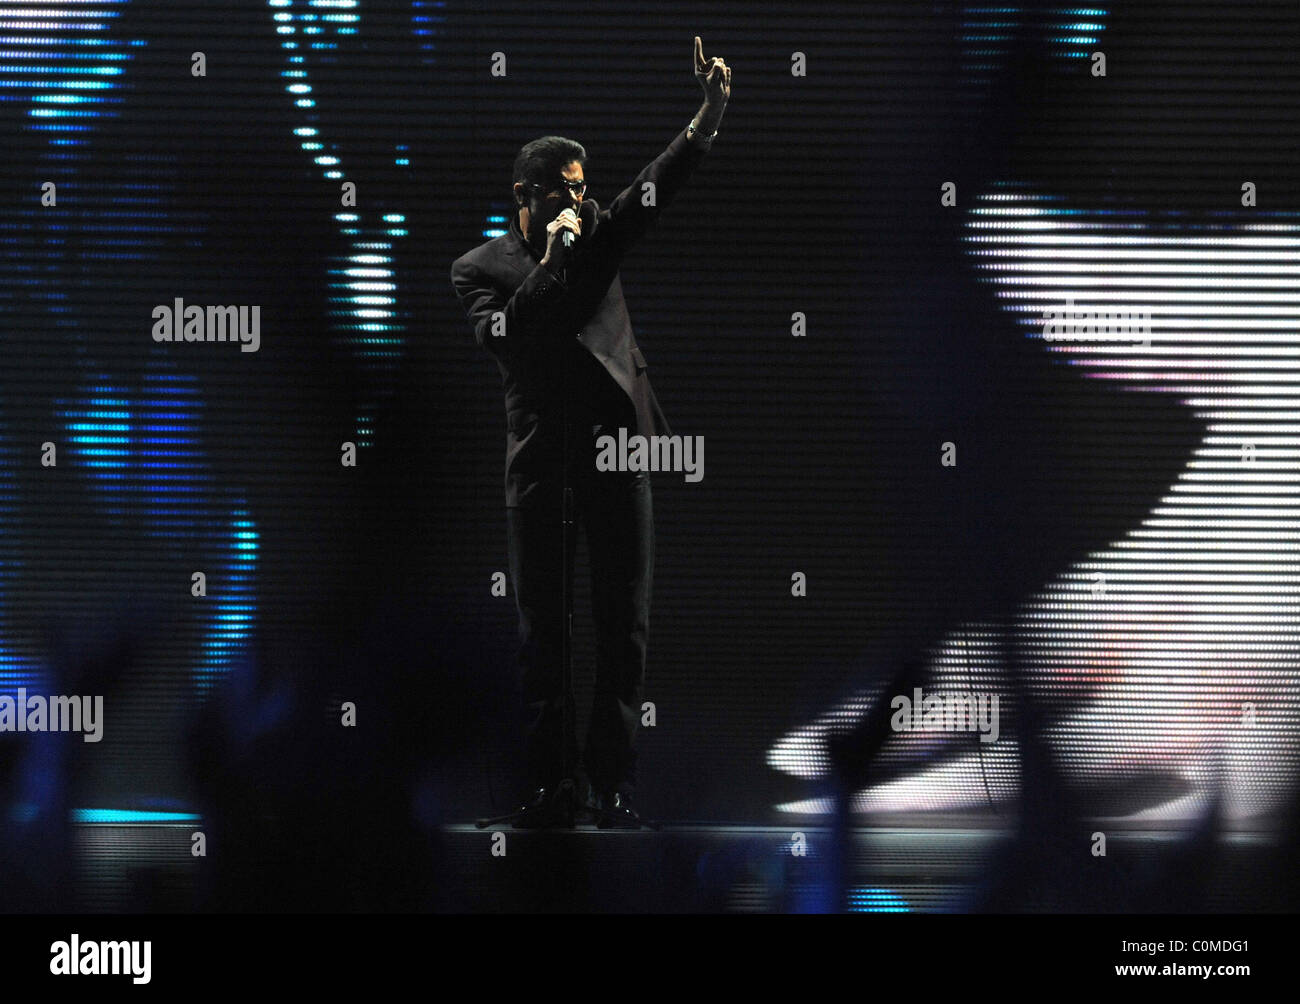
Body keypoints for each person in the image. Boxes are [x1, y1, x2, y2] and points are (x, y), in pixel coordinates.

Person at [451, 36, 730, 828]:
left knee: (624, 627)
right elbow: (505, 336)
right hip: (543, 464)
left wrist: (705, 118)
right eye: (563, 193)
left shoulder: (603, 227)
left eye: (582, 190)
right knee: (544, 633)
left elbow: (653, 189)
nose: (579, 202)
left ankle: (611, 783)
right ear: (525, 194)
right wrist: (554, 258)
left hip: (619, 453)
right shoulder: (480, 268)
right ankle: (549, 786)